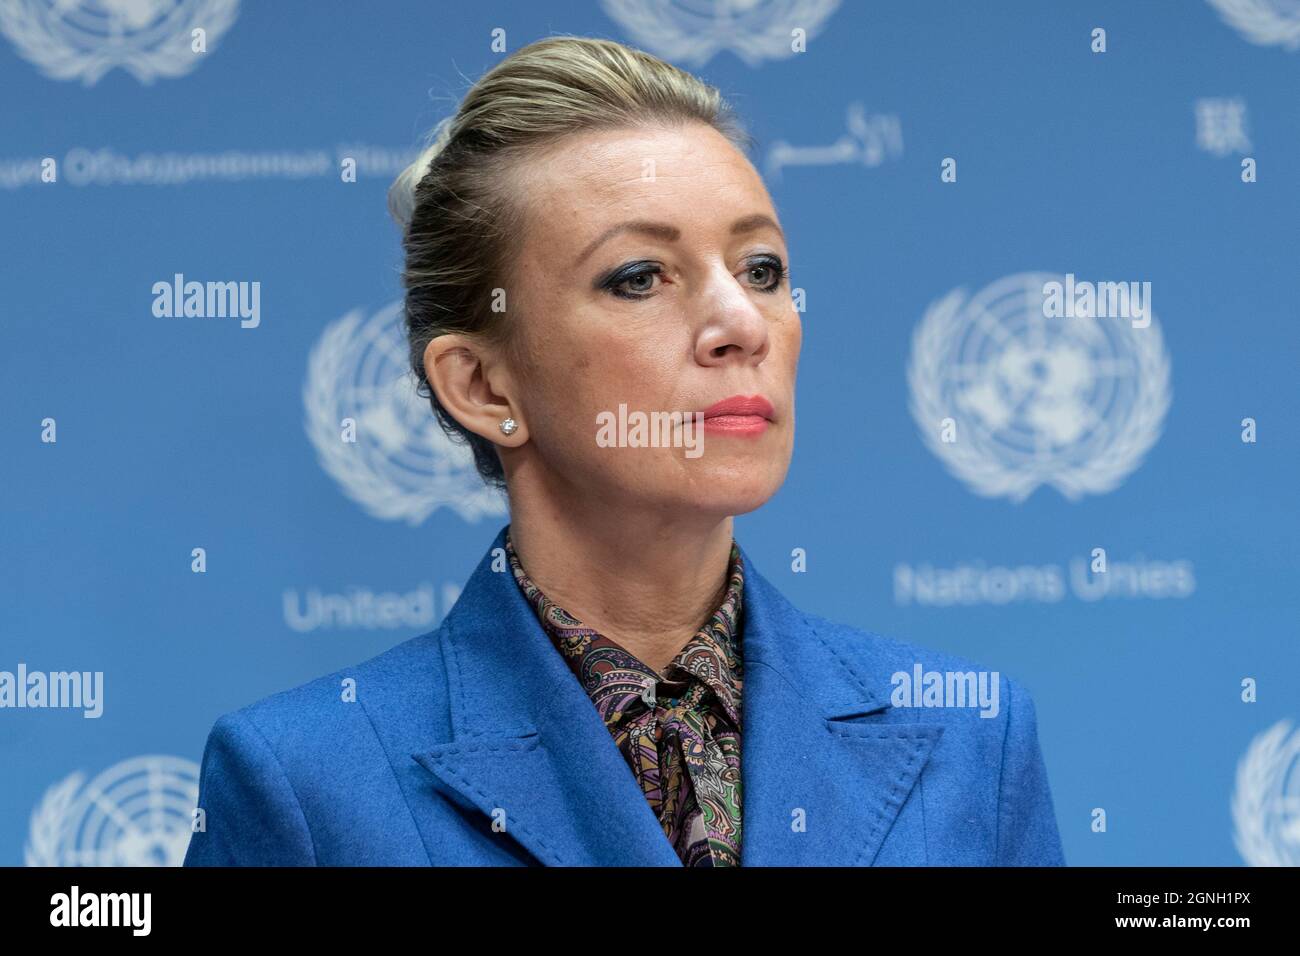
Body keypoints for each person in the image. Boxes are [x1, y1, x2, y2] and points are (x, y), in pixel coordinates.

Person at [183, 34, 1066, 867]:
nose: (739, 325)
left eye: (761, 268)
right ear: (483, 387)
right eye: (640, 277)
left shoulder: (971, 738)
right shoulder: (304, 782)